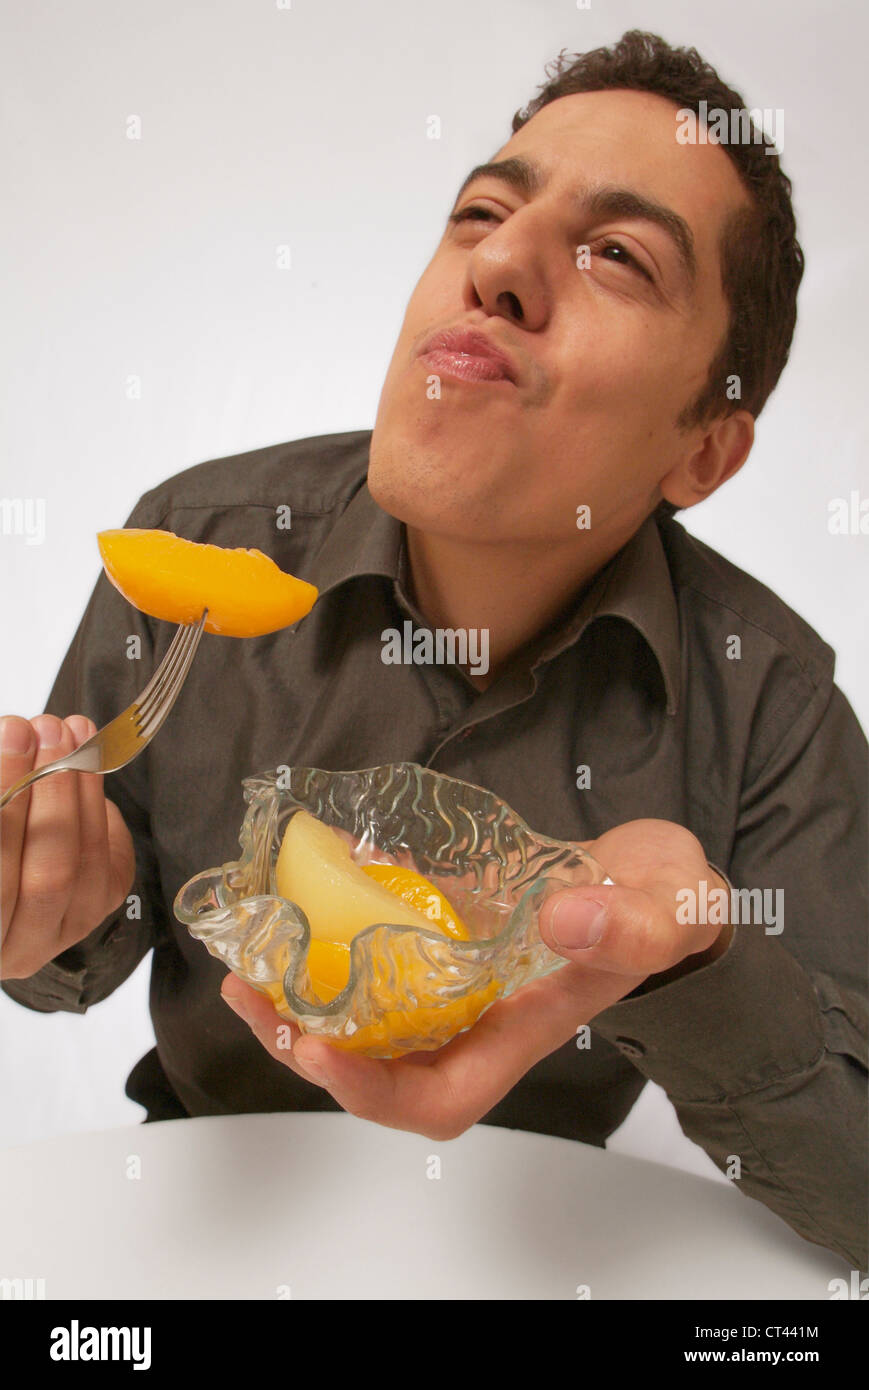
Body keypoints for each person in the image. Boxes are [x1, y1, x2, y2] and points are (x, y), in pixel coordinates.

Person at [1, 30, 866, 1271]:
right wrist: (49, 907)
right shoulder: (191, 545)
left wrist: (701, 953)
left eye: (615, 255)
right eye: (479, 211)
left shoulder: (769, 699)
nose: (499, 265)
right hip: (204, 1235)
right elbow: (70, 936)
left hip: (539, 1258)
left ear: (702, 454)